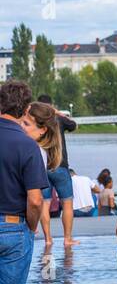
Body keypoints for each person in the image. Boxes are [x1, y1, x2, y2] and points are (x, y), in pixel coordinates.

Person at [0, 80, 44, 284]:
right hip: (15, 227)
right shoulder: (28, 146)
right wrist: (30, 225)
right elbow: (36, 199)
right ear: (24, 109)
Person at [22, 102, 68, 249]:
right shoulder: (39, 151)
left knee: (46, 203)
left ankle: (48, 238)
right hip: (59, 171)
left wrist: (31, 226)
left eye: (26, 123)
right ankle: (62, 238)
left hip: (16, 222)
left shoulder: (32, 151)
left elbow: (35, 200)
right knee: (64, 202)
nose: (21, 126)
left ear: (42, 130)